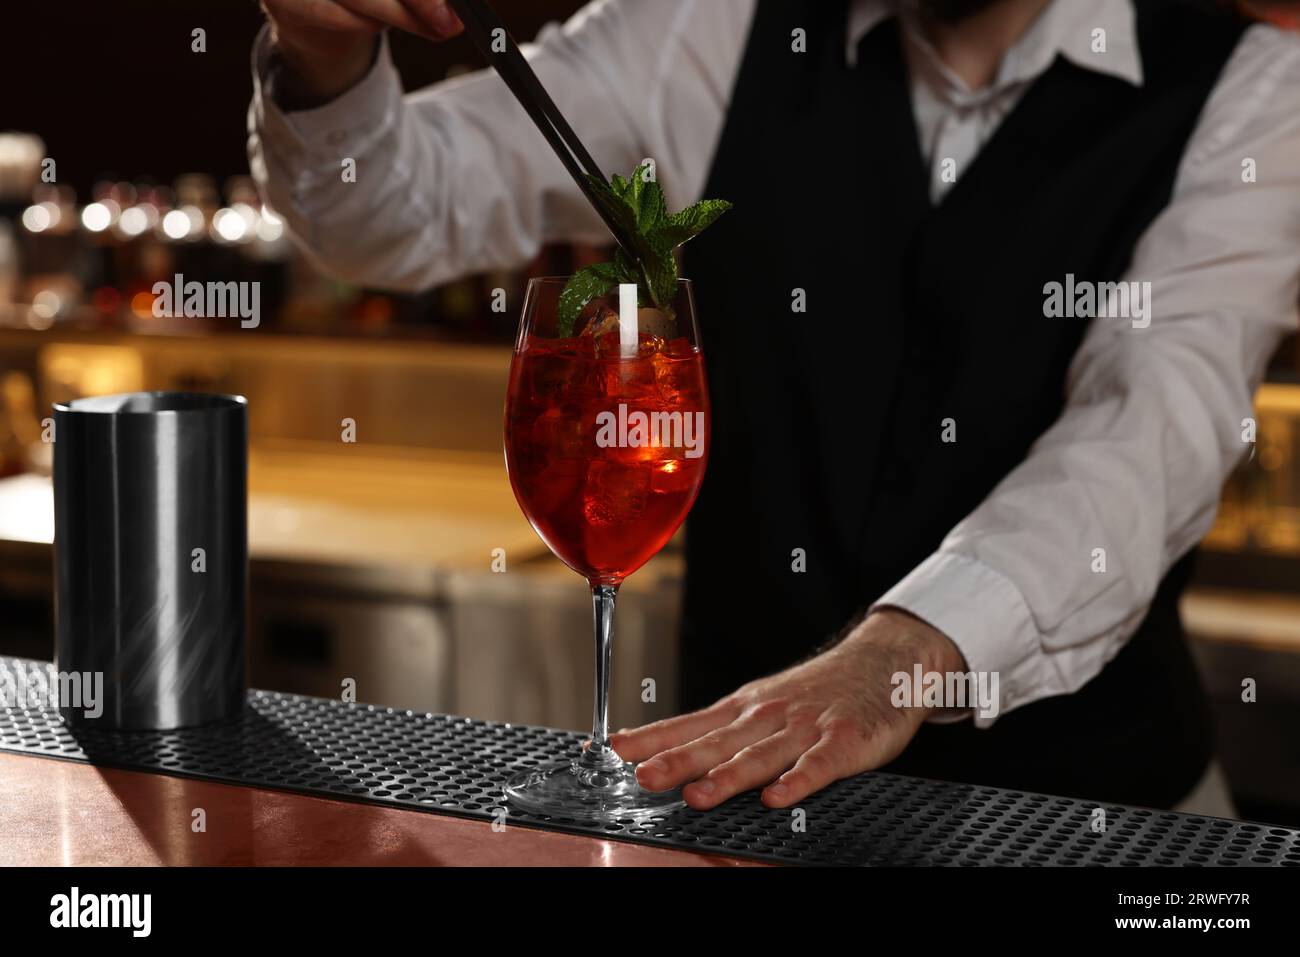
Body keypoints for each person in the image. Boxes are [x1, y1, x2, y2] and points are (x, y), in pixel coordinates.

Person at [249, 0, 1300, 815]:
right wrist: (321, 49)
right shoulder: (707, 28)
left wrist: (898, 661)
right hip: (744, 821)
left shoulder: (1253, 90)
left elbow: (1146, 428)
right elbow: (387, 215)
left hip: (1098, 823)